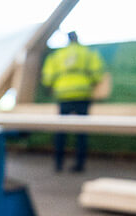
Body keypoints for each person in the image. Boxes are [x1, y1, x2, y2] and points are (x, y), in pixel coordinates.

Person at [41, 31, 108, 172]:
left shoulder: (58, 55)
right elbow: (98, 74)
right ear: (77, 39)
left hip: (63, 96)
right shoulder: (88, 53)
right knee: (81, 132)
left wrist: (57, 86)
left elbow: (47, 77)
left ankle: (58, 164)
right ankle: (80, 164)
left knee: (61, 131)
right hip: (82, 95)